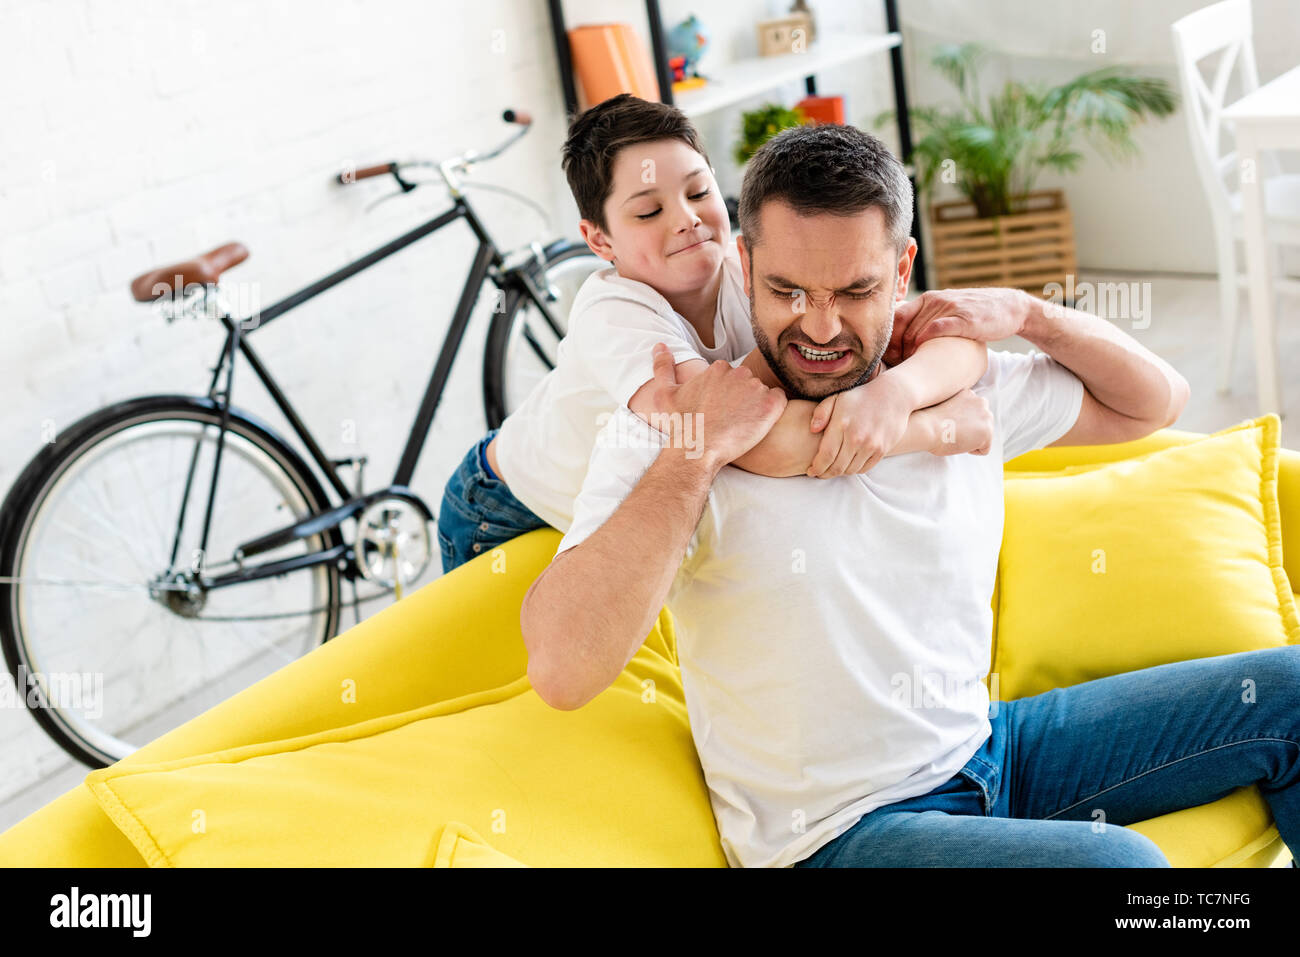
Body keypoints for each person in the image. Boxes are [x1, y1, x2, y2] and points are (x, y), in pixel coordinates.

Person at [521, 123, 1300, 869]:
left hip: (987, 748)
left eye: (854, 289)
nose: (818, 325)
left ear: (901, 271)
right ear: (744, 263)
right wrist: (695, 462)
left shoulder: (941, 379)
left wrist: (1028, 314)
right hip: (840, 833)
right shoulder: (683, 430)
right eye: (786, 289)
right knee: (1124, 870)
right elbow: (562, 669)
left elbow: (1155, 399)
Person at [436, 94, 992, 574]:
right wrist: (933, 427)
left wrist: (899, 394)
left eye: (699, 192)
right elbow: (736, 436)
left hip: (589, 501)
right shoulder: (614, 315)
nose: (686, 219)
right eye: (648, 211)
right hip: (503, 504)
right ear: (600, 241)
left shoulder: (746, 267)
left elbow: (934, 334)